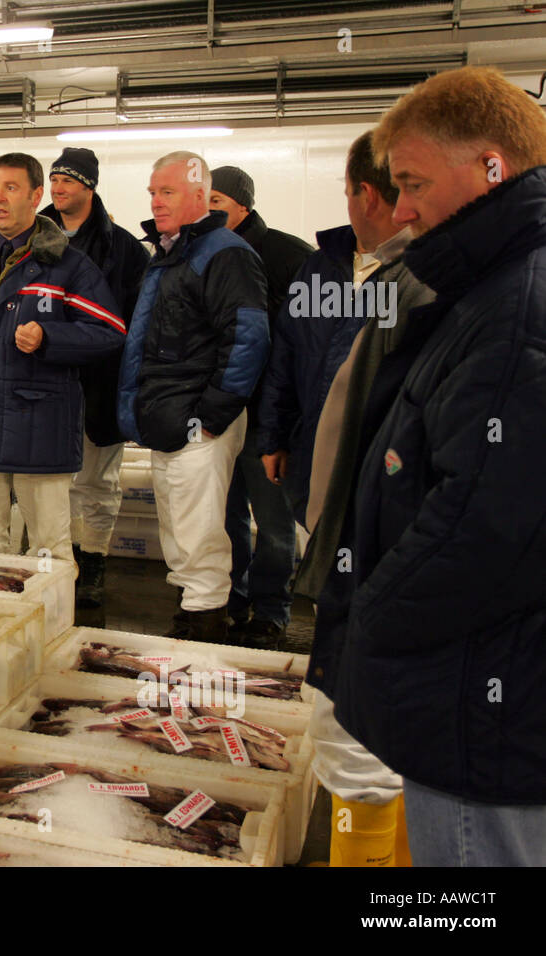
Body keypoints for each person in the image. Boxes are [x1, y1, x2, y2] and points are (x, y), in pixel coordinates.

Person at [313, 65, 546, 867]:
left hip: (484, 706)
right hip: (476, 685)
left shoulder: (519, 307)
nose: (399, 207)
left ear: (491, 166)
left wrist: (367, 622)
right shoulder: (483, 286)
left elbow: (483, 528)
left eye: (412, 183)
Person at [289, 135, 433, 868]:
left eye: (414, 186)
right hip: (372, 554)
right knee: (390, 756)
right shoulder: (400, 278)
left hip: (381, 563)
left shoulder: (421, 289)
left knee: (360, 752)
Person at [0, 152, 124, 561]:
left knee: (49, 549)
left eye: (10, 188)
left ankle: (49, 625)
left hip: (41, 429)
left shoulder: (68, 266)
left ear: (35, 195)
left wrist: (49, 337)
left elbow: (110, 332)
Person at [117, 151, 269, 644]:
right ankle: (192, 622)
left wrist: (211, 415)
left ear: (201, 196)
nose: (156, 202)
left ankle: (204, 636)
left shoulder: (223, 252)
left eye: (168, 192)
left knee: (199, 536)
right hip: (171, 419)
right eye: (153, 192)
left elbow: (247, 335)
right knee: (182, 534)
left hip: (197, 422)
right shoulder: (172, 252)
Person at [255, 133, 410, 531]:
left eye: (346, 192)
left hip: (380, 464)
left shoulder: (421, 273)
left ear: (366, 196)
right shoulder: (321, 266)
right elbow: (286, 352)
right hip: (310, 453)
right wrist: (275, 438)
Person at [208, 166, 314, 647]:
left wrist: (290, 417)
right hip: (219, 414)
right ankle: (232, 599)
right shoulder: (200, 254)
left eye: (218, 205)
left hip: (269, 418)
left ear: (243, 208)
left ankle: (272, 609)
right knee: (225, 519)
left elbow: (307, 346)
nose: (209, 214)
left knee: (274, 525)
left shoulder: (290, 256)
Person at [40, 147, 150, 607]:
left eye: (67, 180)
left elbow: (136, 320)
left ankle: (95, 566)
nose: (58, 188)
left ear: (89, 186)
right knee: (47, 483)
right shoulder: (33, 235)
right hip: (44, 382)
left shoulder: (122, 247)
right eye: (53, 179)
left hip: (101, 384)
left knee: (98, 484)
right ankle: (57, 567)